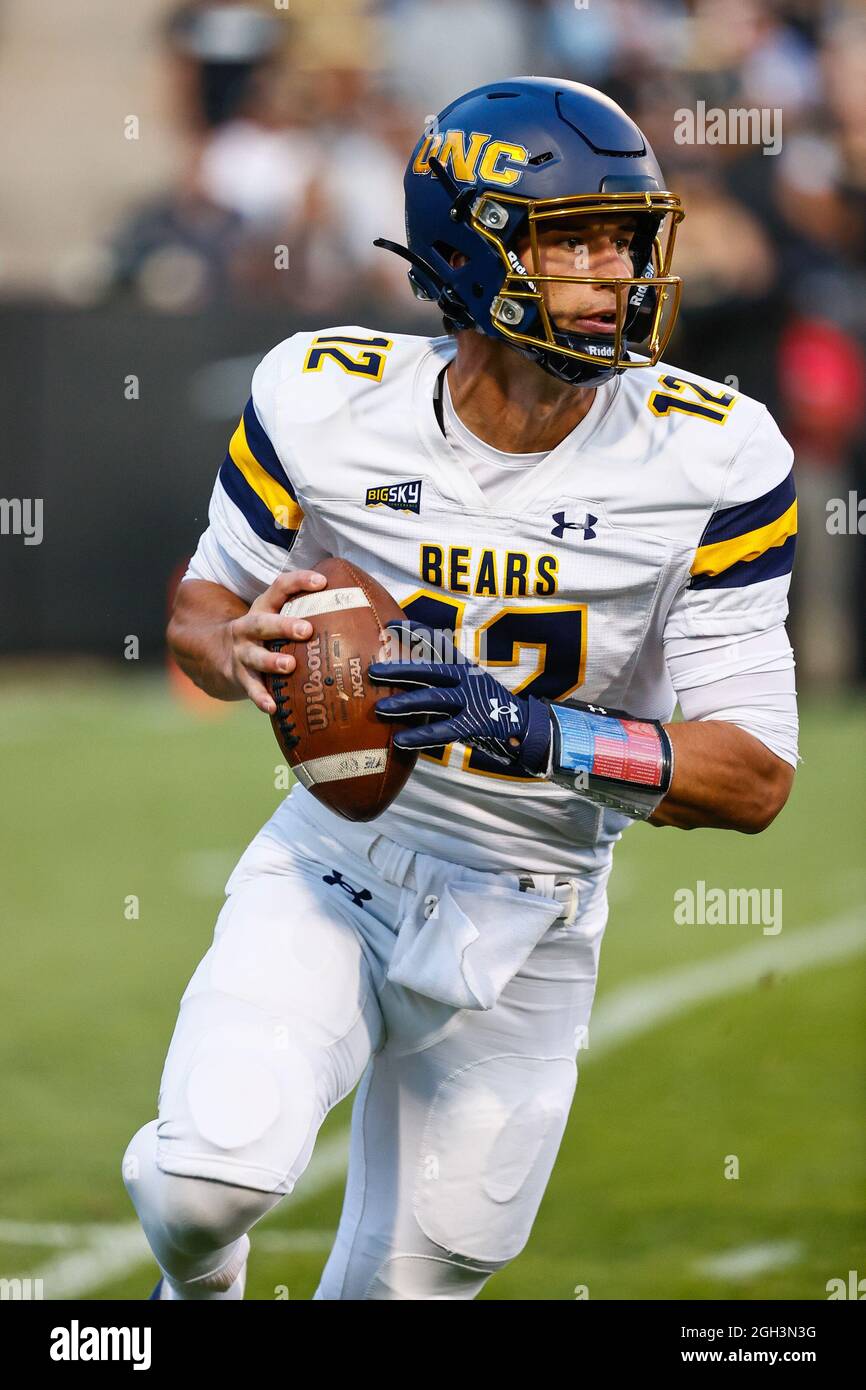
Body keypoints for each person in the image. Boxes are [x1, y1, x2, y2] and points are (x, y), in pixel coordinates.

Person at [122, 77, 799, 1301]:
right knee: (200, 1183)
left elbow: (751, 778)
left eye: (626, 237)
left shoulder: (713, 452)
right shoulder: (326, 395)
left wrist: (531, 730)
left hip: (530, 910)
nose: (613, 272)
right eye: (570, 239)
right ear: (465, 247)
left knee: (409, 1284)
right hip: (337, 863)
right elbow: (196, 610)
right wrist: (240, 651)